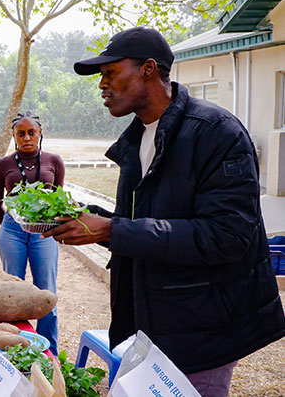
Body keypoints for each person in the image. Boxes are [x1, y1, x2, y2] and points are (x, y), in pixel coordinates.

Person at [43, 26, 285, 397]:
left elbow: (226, 237)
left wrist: (110, 230)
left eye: (110, 73)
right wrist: (85, 217)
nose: (102, 85)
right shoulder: (139, 137)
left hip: (202, 333)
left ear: (148, 69)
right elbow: (145, 222)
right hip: (148, 326)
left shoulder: (218, 134)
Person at [0, 111, 64, 355]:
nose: (26, 138)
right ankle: (14, 351)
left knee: (46, 294)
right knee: (12, 295)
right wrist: (11, 225)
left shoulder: (54, 161)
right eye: (20, 133)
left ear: (40, 132)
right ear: (14, 135)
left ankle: (48, 353)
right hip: (12, 231)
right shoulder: (3, 165)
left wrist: (45, 225)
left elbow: (57, 200)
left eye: (31, 132)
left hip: (43, 233)